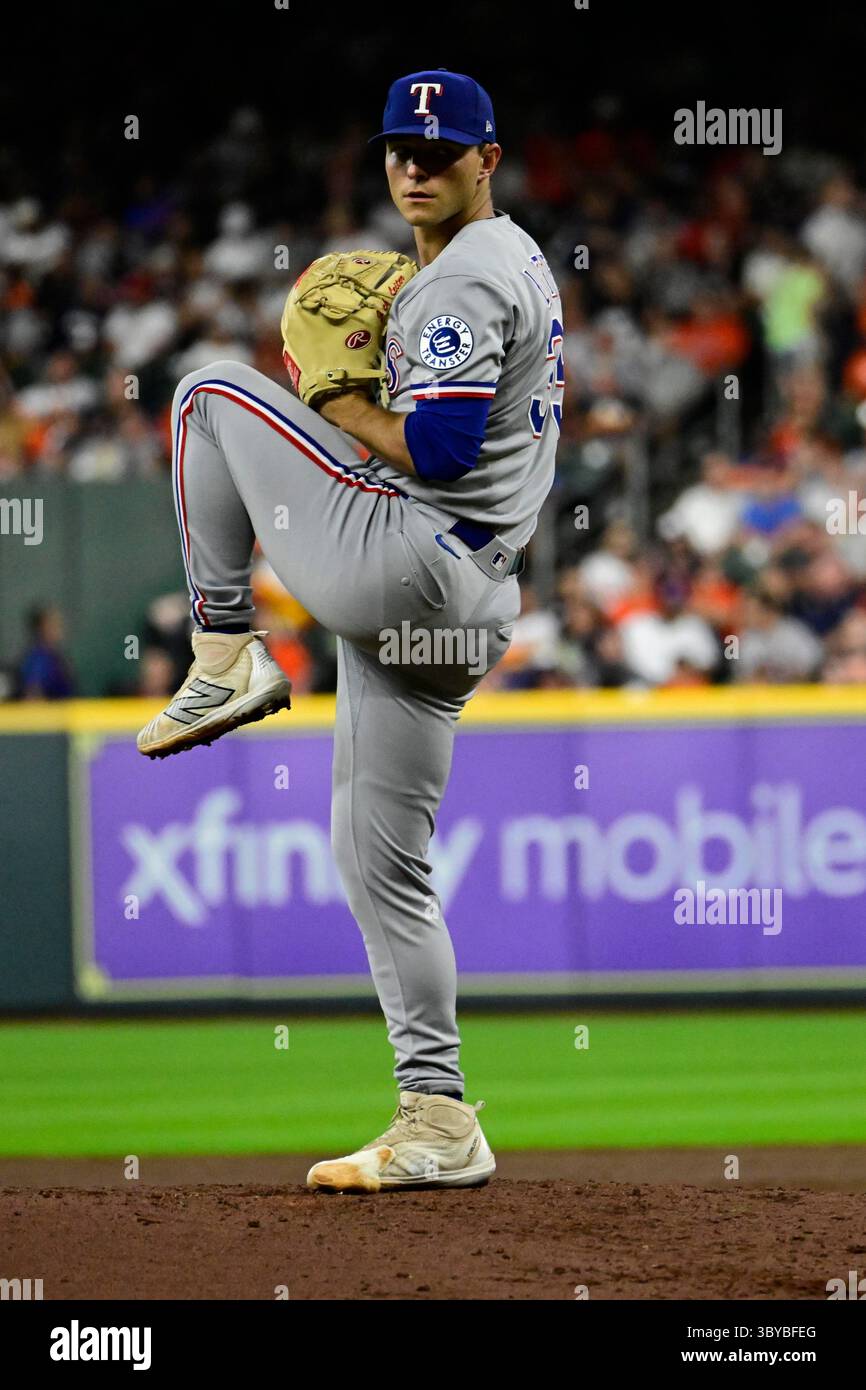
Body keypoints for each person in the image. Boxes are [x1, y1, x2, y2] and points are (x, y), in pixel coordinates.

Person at [137, 69, 564, 1192]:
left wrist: (330, 398)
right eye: (398, 152)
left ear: (488, 158)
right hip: (463, 609)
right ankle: (437, 1118)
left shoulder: (459, 282)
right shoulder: (511, 256)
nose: (414, 168)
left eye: (439, 151)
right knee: (379, 863)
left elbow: (438, 454)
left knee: (204, 394)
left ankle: (223, 653)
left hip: (410, 565)